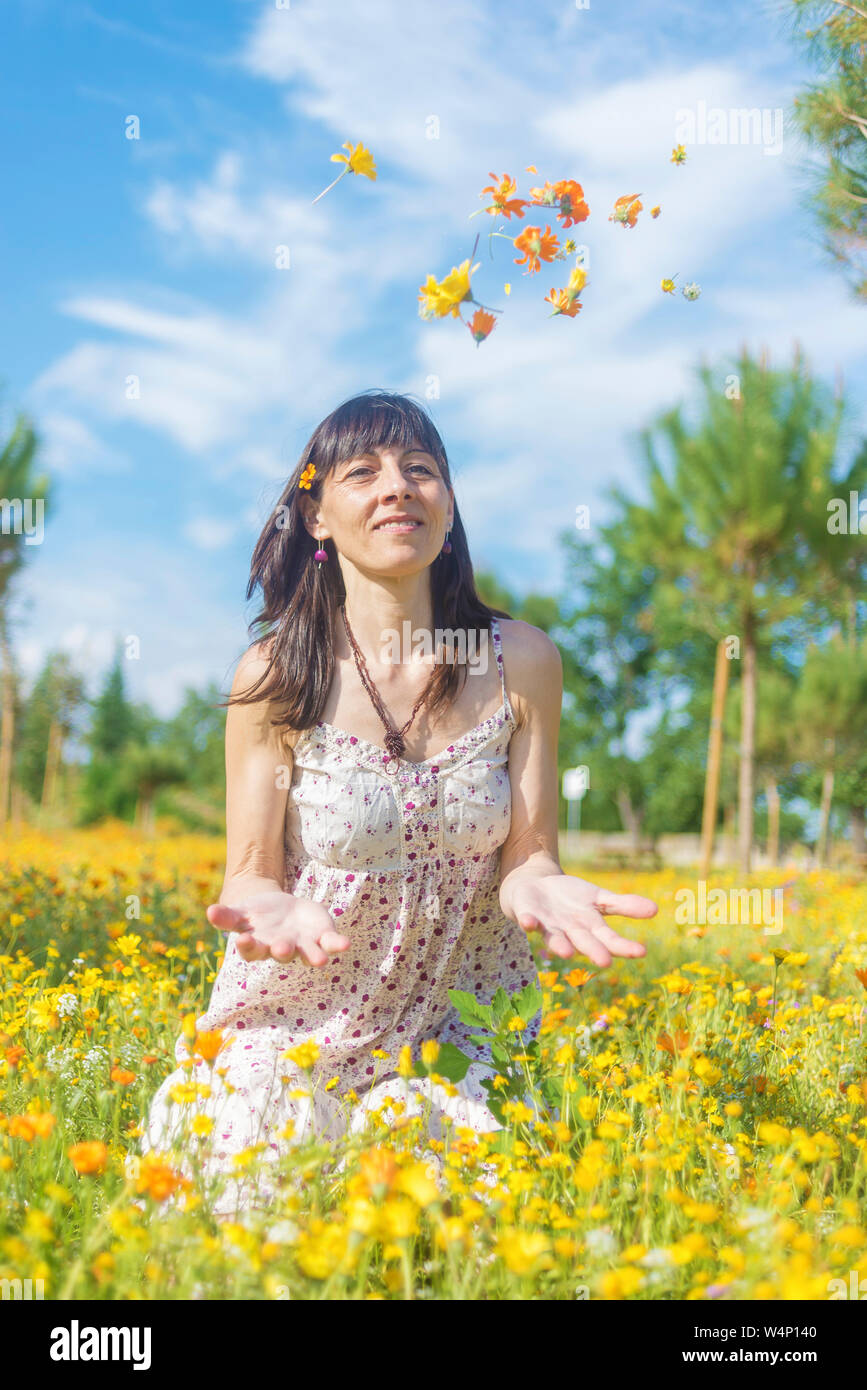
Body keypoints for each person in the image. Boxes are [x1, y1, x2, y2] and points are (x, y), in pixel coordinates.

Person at [140, 389, 657, 1219]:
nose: (397, 487)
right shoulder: (274, 678)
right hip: (296, 1025)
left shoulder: (520, 663)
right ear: (315, 515)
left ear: (447, 510)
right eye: (363, 472)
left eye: (421, 470)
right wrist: (266, 904)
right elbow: (248, 876)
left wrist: (539, 883)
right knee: (248, 1197)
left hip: (457, 1032)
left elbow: (528, 854)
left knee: (473, 1219)